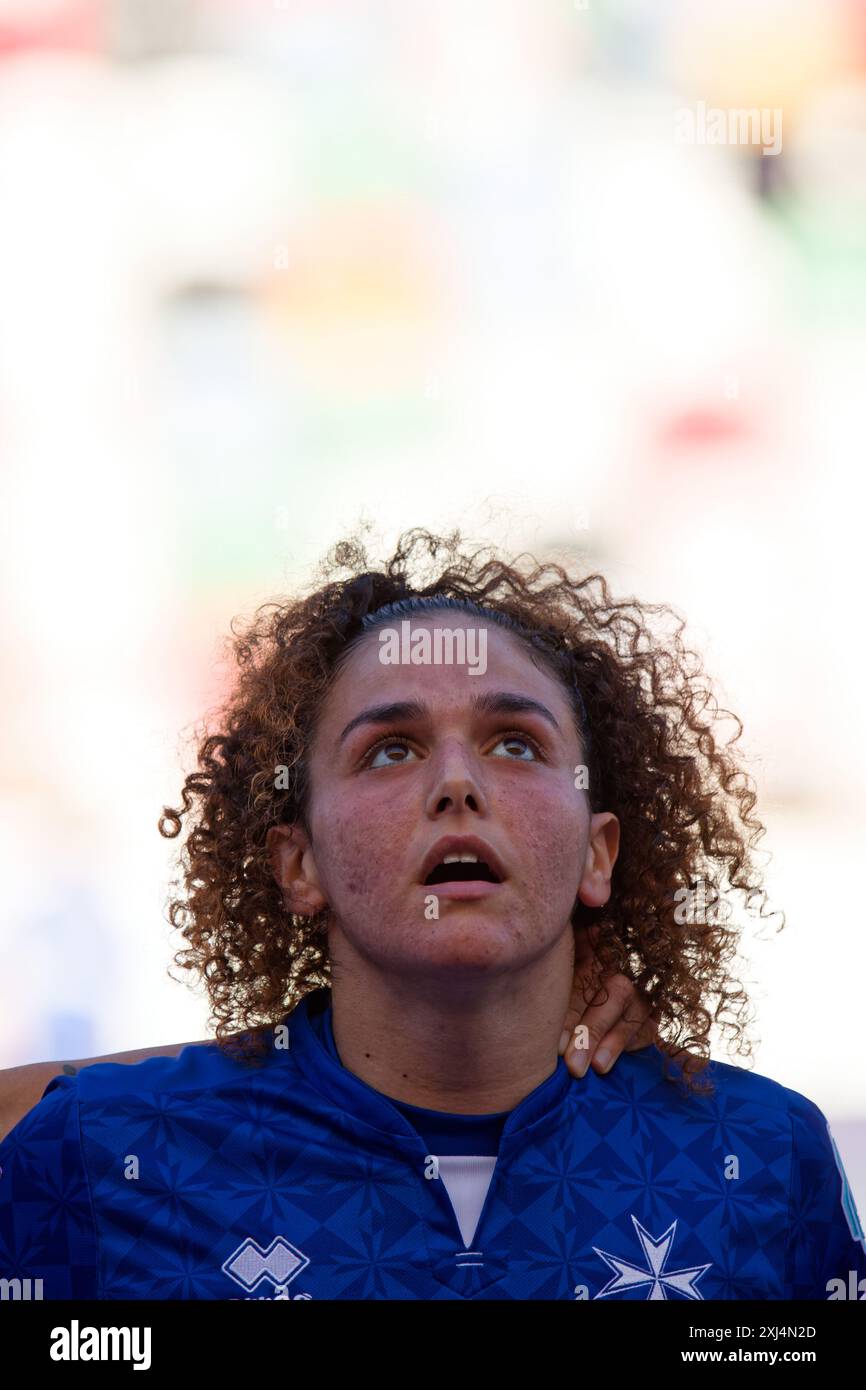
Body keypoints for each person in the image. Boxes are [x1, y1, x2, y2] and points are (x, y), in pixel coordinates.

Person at [1, 529, 863, 1301]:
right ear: (298, 864)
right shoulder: (98, 1153)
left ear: (597, 855)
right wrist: (221, 1083)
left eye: (517, 743)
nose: (459, 783)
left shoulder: (765, 1157)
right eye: (391, 748)